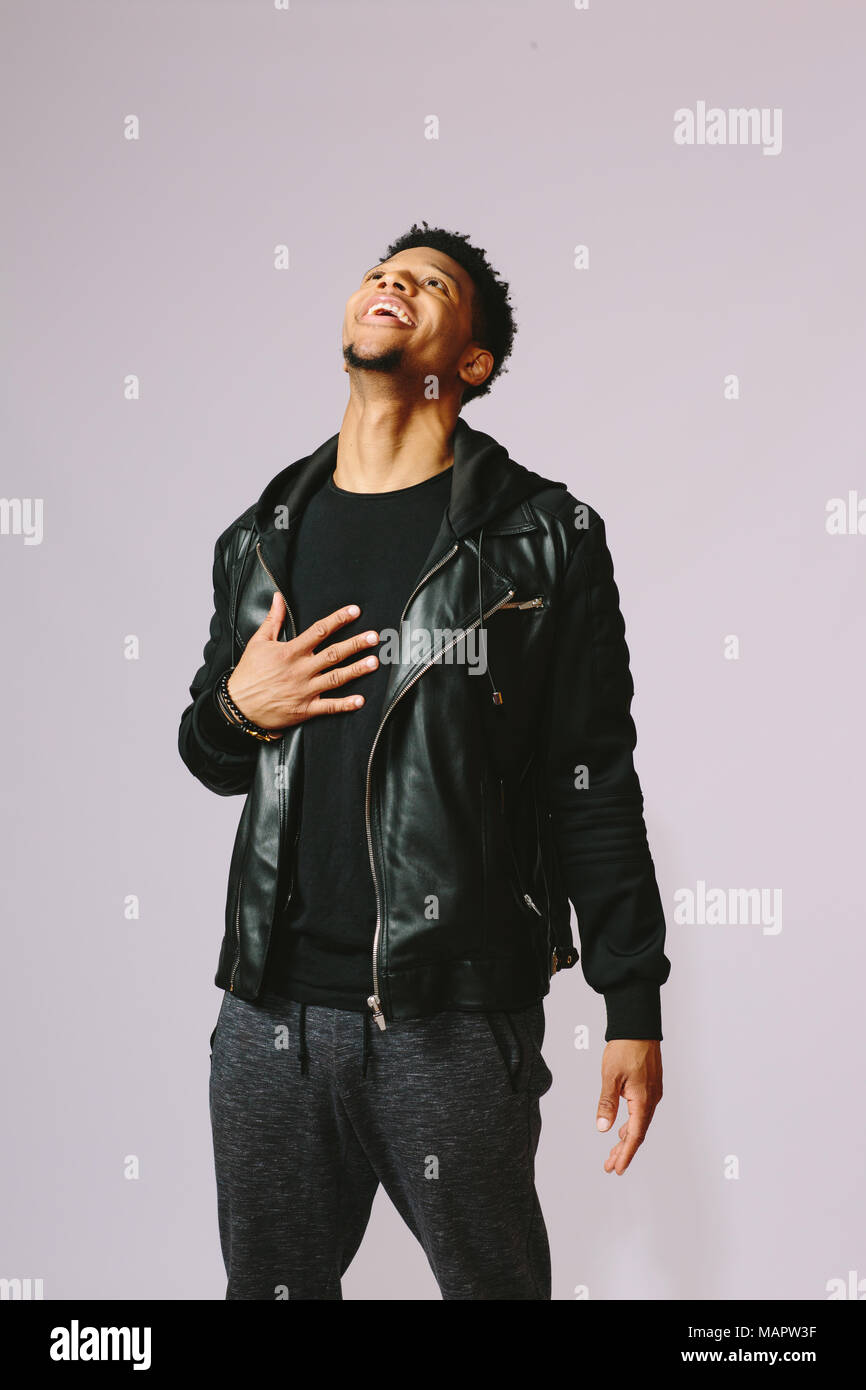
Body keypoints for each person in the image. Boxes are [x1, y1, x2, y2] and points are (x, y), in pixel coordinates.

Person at [177, 220, 670, 1301]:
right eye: (381, 271)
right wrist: (238, 706)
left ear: (470, 363)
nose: (392, 281)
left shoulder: (544, 540)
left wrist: (629, 997)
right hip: (266, 1017)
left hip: (449, 1017)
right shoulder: (260, 536)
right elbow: (207, 752)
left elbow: (589, 777)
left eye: (430, 284)